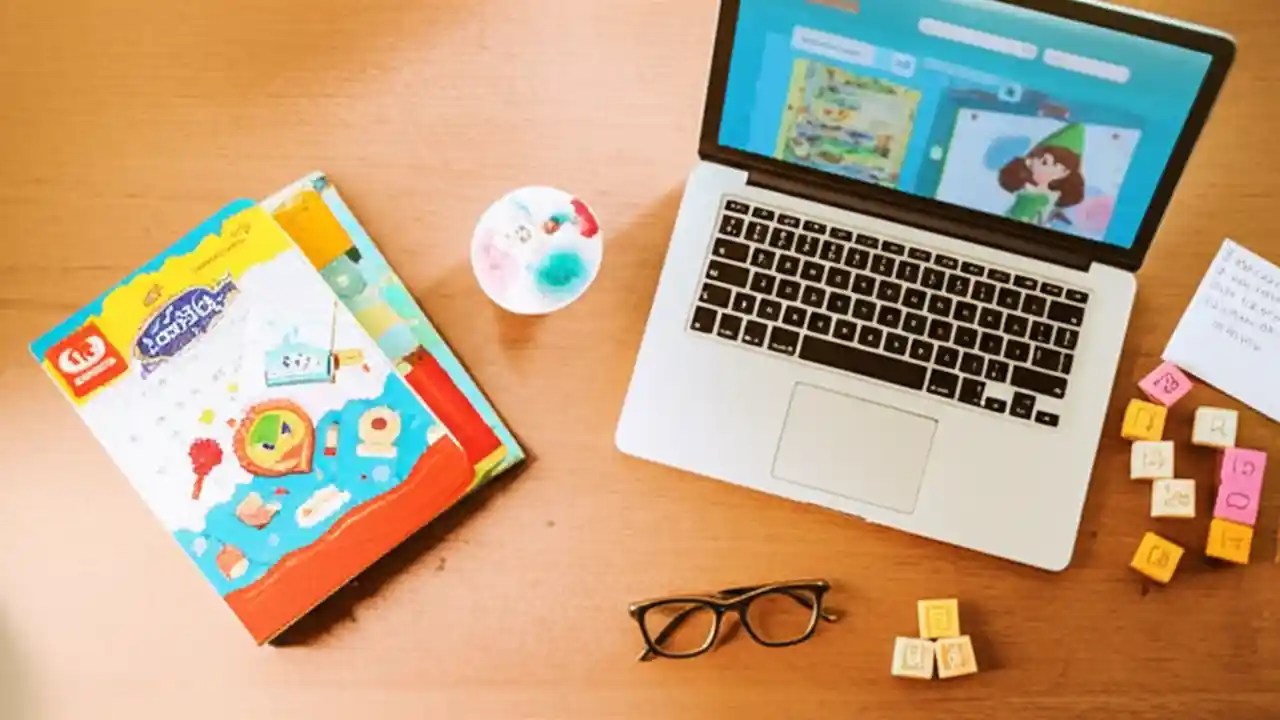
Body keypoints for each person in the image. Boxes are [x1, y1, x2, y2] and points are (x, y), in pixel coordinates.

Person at [998, 122, 1086, 227]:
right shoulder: (1028, 196)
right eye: (1033, 158)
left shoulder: (1052, 197)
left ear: (1064, 172)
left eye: (1044, 162)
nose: (1031, 162)